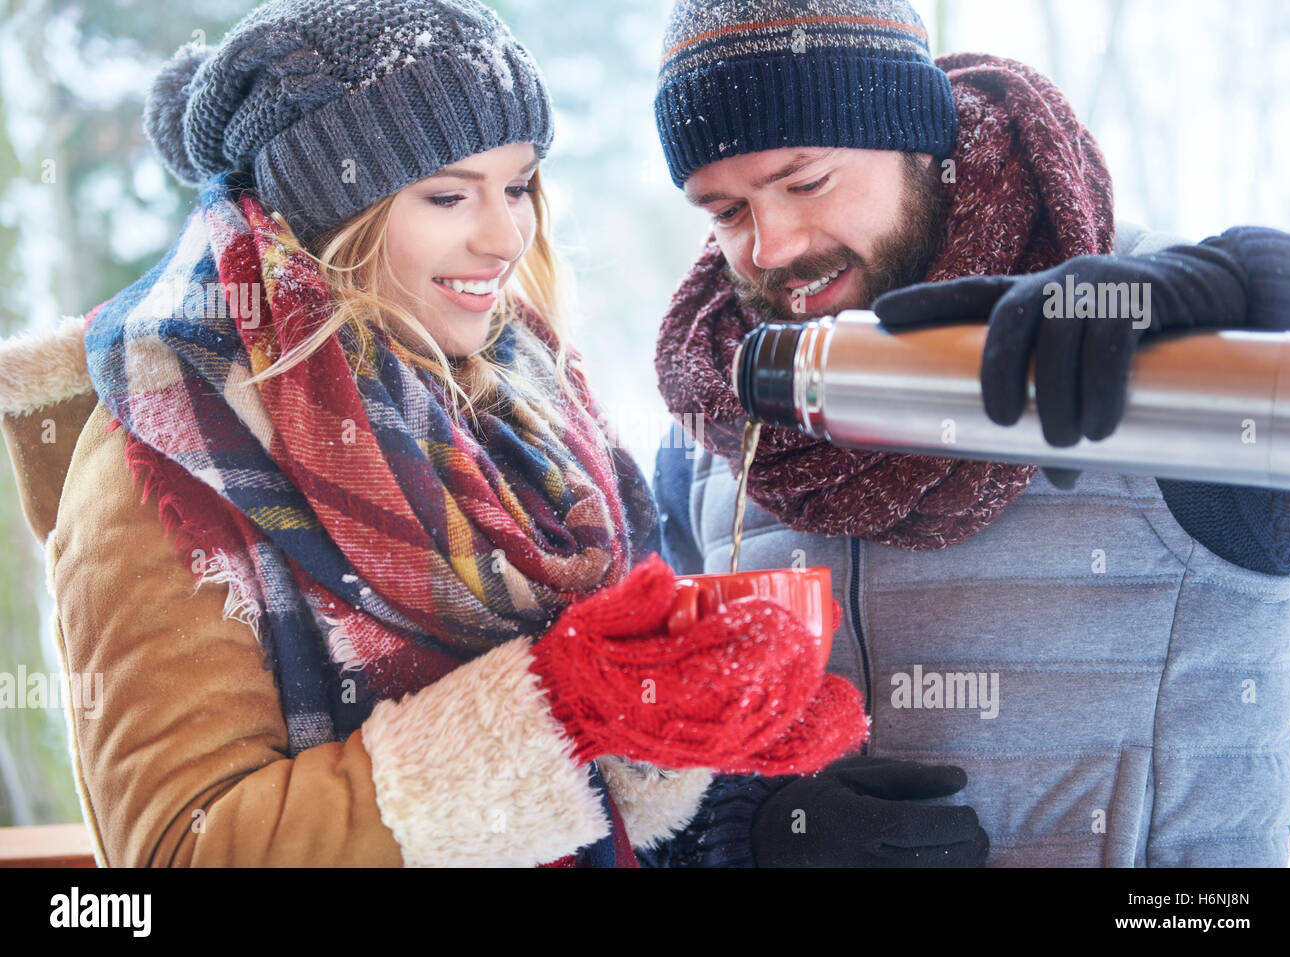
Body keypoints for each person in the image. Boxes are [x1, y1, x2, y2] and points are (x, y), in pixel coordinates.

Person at [0, 0, 874, 867]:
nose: (505, 235)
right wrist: (555, 708)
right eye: (450, 193)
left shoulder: (526, 415)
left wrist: (704, 749)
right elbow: (180, 850)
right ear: (325, 219)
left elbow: (605, 803)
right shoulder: (169, 450)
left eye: (521, 184)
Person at [650, 0, 1290, 867]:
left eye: (805, 182)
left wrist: (1260, 284)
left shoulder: (1146, 333)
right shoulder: (716, 424)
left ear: (921, 140)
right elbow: (649, 750)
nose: (769, 248)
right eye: (726, 212)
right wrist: (750, 831)